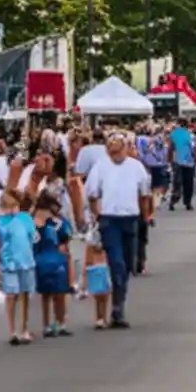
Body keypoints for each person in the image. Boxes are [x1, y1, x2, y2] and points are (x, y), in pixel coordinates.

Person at [84, 134, 150, 328]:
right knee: (117, 263)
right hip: (110, 220)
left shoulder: (136, 167)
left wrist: (144, 217)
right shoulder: (101, 166)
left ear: (125, 149)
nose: (116, 154)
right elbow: (92, 193)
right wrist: (98, 214)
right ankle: (116, 309)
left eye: (119, 150)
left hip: (131, 219)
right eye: (111, 151)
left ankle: (119, 300)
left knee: (129, 264)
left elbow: (144, 194)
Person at [0, 190, 37, 345]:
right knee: (11, 295)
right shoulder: (0, 222)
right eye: (8, 206)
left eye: (14, 206)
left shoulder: (25, 218)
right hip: (9, 263)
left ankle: (24, 327)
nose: (11, 209)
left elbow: (32, 237)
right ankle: (13, 330)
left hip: (26, 261)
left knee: (25, 293)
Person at [32, 192, 74, 337]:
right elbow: (65, 242)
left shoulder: (33, 222)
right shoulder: (59, 222)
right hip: (57, 260)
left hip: (39, 261)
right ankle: (61, 322)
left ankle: (47, 325)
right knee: (60, 293)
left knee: (46, 295)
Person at [80, 236, 112, 330]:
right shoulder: (93, 238)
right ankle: (100, 318)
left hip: (101, 266)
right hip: (97, 266)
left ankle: (102, 318)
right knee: (100, 295)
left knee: (103, 295)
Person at [169, 120, 196, 211]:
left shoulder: (174, 134)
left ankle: (174, 200)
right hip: (188, 161)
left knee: (177, 182)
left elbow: (170, 148)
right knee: (188, 183)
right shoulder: (191, 136)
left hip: (178, 161)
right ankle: (187, 202)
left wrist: (169, 160)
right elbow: (194, 149)